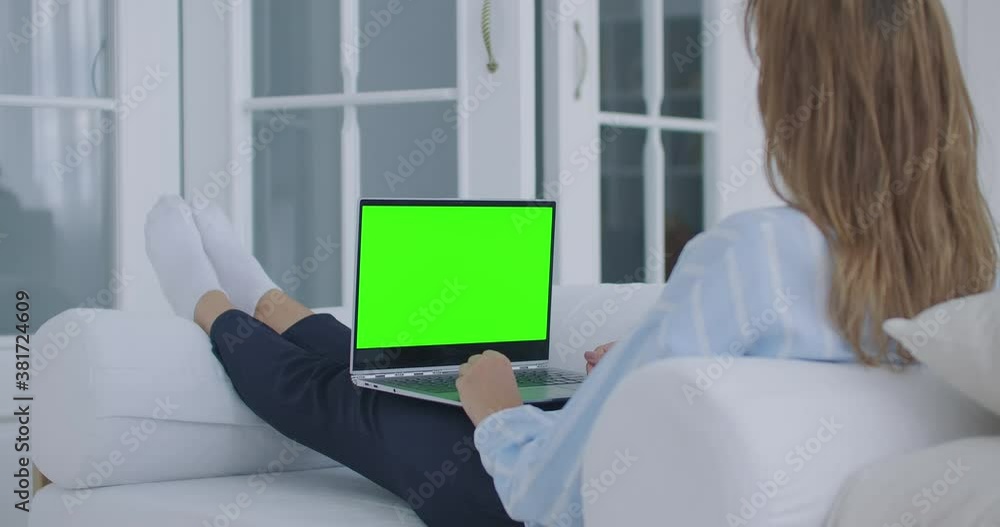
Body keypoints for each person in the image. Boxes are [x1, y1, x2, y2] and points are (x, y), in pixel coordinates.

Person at [143, 0, 997, 525]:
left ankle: (208, 298)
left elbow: (553, 492)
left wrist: (501, 410)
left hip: (513, 496)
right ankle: (274, 300)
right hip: (615, 450)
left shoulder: (755, 252)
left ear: (805, 93)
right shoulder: (964, 258)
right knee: (385, 365)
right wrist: (636, 374)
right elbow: (770, 372)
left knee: (344, 398)